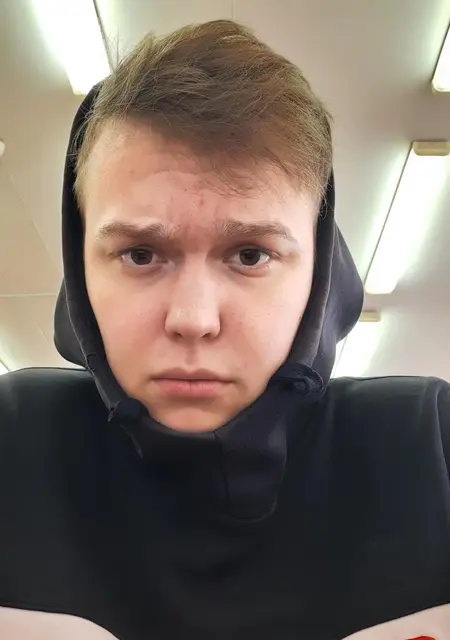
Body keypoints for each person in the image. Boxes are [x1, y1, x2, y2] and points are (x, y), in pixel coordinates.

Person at [0, 18, 449, 640]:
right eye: (140, 254)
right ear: (81, 269)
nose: (193, 320)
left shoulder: (430, 446)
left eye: (249, 255)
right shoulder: (12, 441)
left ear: (319, 273)